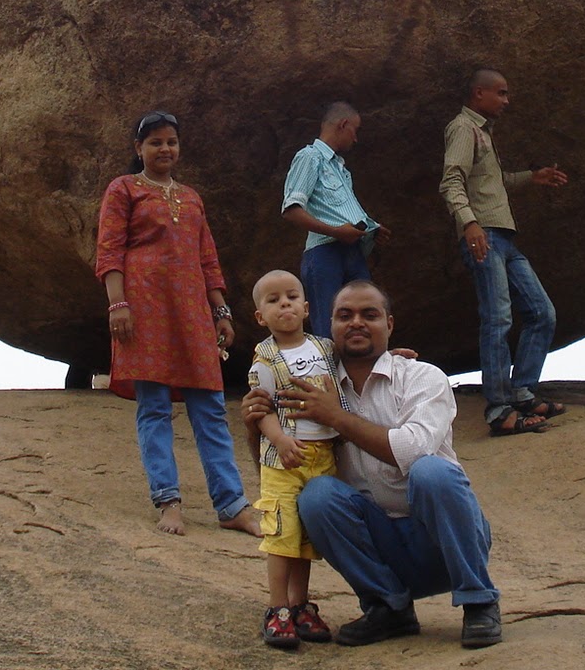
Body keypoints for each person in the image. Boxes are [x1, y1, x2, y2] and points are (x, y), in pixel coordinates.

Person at [244, 280, 506, 650]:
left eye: (370, 315)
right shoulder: (314, 386)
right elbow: (280, 477)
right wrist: (255, 426)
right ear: (328, 327)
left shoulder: (421, 376)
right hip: (378, 548)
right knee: (315, 496)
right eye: (344, 315)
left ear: (390, 324)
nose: (356, 324)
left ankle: (479, 600)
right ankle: (389, 607)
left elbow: (413, 452)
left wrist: (336, 418)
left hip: (443, 544)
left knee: (432, 471)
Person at [96, 110, 263, 536]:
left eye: (171, 141)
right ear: (139, 149)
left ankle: (231, 505)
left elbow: (206, 258)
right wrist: (118, 305)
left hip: (191, 313)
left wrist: (221, 310)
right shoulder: (124, 189)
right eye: (154, 142)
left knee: (208, 407)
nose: (164, 149)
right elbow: (110, 249)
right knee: (154, 407)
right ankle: (167, 500)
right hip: (144, 310)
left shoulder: (190, 197)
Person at [440, 68, 568, 435]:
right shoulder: (463, 128)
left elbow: (497, 182)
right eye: (502, 93)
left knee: (542, 312)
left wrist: (534, 177)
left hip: (504, 238)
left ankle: (523, 392)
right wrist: (469, 224)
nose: (507, 101)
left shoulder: (484, 134)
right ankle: (499, 410)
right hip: (484, 235)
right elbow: (451, 180)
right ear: (479, 94)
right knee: (498, 318)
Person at [246, 269, 341, 648]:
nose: (283, 303)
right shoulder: (264, 362)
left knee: (305, 535)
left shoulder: (325, 349)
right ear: (260, 317)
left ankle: (301, 604)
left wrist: (393, 358)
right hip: (284, 459)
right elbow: (262, 410)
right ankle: (277, 607)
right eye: (273, 300)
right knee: (281, 532)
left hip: (323, 454)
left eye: (290, 297)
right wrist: (280, 439)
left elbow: (352, 375)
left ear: (305, 307)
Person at [280, 102, 391, 336]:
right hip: (324, 253)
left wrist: (371, 228)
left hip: (352, 252)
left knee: (367, 321)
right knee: (329, 329)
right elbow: (291, 209)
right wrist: (336, 232)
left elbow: (338, 210)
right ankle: (330, 374)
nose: (356, 138)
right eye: (355, 130)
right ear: (343, 124)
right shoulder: (310, 157)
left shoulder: (340, 168)